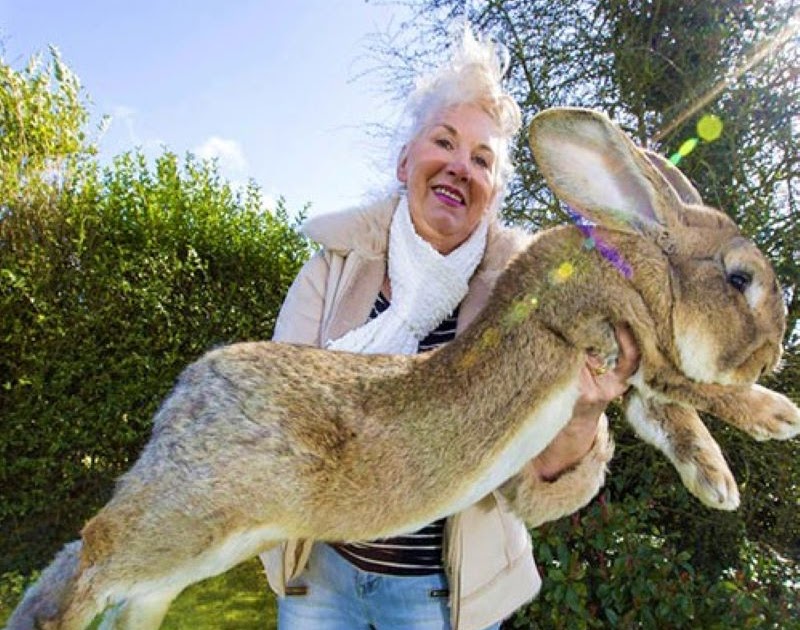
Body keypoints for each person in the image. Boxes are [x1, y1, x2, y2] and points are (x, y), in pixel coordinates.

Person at [260, 28, 639, 630]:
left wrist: (582, 413)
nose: (460, 167)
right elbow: (273, 413)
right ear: (405, 160)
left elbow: (536, 486)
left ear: (492, 194)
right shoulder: (332, 267)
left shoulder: (529, 297)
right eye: (445, 141)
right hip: (322, 580)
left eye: (482, 160)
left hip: (439, 600)